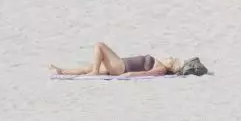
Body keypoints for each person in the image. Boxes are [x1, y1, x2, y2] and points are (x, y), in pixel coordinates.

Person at [50, 42, 183, 77]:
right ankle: (61, 71)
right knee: (86, 68)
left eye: (171, 60)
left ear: (170, 66)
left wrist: (130, 74)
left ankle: (95, 72)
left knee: (99, 45)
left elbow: (145, 74)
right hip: (119, 65)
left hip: (121, 67)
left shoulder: (161, 69)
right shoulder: (160, 65)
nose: (169, 58)